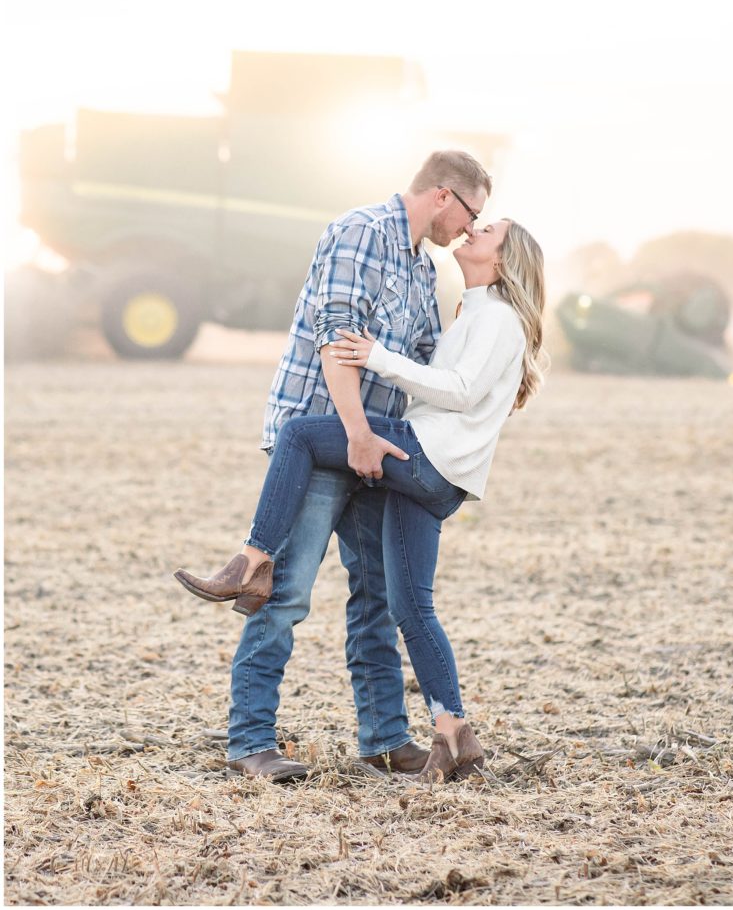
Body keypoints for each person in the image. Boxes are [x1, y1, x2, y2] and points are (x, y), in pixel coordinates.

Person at [176, 216, 547, 783]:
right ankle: (450, 734)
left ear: (505, 259)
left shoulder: (495, 315)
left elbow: (462, 389)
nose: (474, 230)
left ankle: (250, 561)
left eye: (487, 229)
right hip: (413, 468)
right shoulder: (462, 304)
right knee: (405, 607)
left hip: (414, 457)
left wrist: (372, 355)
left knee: (301, 434)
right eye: (476, 218)